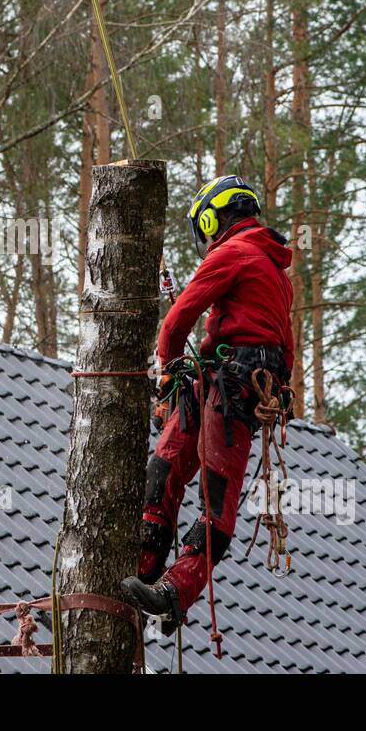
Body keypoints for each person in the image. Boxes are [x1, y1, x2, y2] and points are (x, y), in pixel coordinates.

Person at [121, 175, 294, 629]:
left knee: (179, 479)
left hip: (226, 383)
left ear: (213, 218)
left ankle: (166, 584)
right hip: (230, 384)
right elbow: (287, 349)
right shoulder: (277, 273)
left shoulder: (232, 253)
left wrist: (167, 370)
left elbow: (176, 322)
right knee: (181, 475)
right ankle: (155, 581)